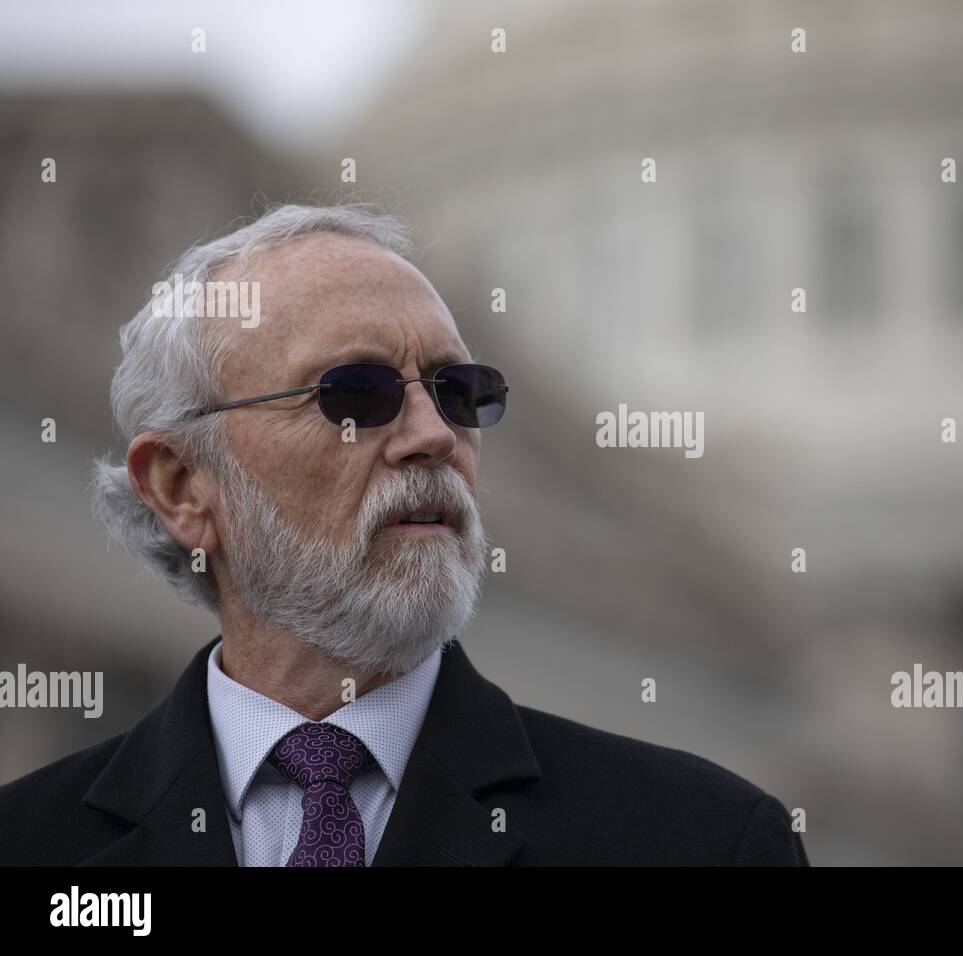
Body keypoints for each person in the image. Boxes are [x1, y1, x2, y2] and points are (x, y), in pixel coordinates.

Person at [0, 204, 809, 866]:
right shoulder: (32, 844)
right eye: (355, 393)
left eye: (460, 392)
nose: (433, 435)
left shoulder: (701, 842)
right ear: (181, 486)